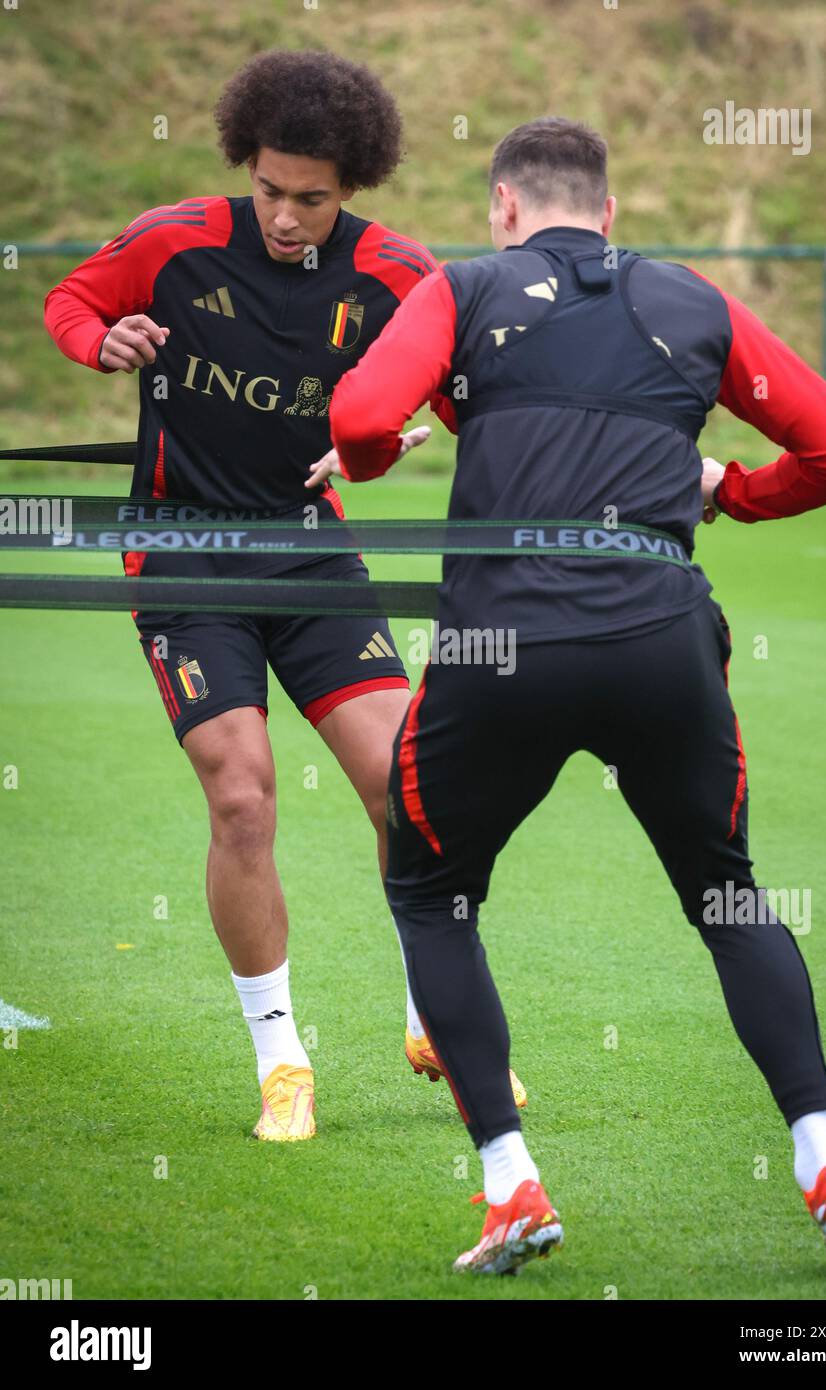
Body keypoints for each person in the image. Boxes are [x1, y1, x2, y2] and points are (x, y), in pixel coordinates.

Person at [313, 116, 826, 1273]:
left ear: (503, 208)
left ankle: (511, 1184)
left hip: (503, 649)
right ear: (610, 213)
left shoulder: (464, 286)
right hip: (661, 634)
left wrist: (391, 455)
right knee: (725, 896)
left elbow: (362, 423)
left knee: (430, 888)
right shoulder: (692, 302)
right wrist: (731, 491)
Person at [44, 48, 525, 1143]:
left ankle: (432, 1020)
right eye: (269, 190)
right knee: (243, 797)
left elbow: (466, 405)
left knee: (410, 786)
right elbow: (71, 300)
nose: (287, 216)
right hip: (181, 551)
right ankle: (283, 1065)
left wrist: (390, 442)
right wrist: (100, 340)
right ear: (244, 166)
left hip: (311, 556)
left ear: (350, 185)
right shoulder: (173, 241)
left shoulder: (400, 275)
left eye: (311, 198)